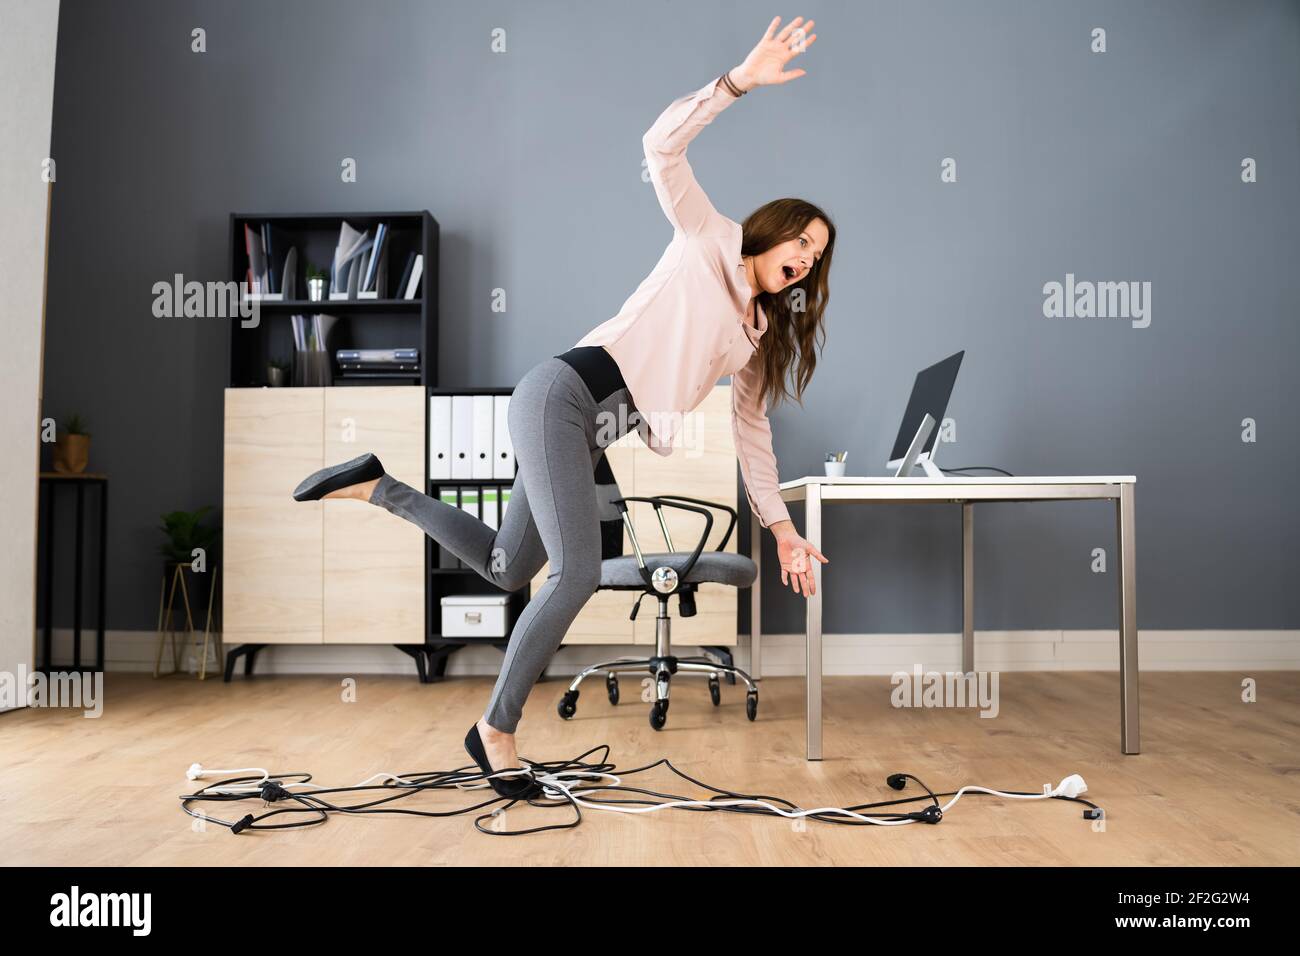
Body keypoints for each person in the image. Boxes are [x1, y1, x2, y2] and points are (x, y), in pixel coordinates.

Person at [293, 15, 832, 799]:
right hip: (565, 393)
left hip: (590, 432)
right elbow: (660, 148)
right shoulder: (707, 238)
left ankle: (380, 484)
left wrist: (783, 530)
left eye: (816, 260)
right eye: (802, 243)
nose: (805, 262)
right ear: (771, 230)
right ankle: (495, 730)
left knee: (510, 567)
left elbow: (752, 435)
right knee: (577, 572)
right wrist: (736, 82)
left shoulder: (755, 335)